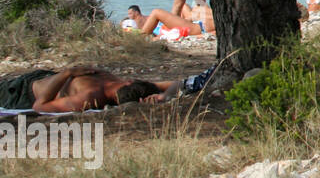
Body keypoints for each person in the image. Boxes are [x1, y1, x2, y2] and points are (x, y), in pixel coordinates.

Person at [0, 64, 211, 113]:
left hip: (21, 93)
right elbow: (176, 83)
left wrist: (67, 73)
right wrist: (163, 95)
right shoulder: (114, 83)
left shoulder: (90, 97)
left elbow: (39, 107)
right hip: (40, 77)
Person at [125, 5, 202, 40]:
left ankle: (140, 39)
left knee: (183, 6)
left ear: (136, 12)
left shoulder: (138, 21)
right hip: (164, 28)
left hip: (164, 28)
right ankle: (193, 19)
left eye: (130, 13)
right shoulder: (143, 19)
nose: (129, 16)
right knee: (183, 6)